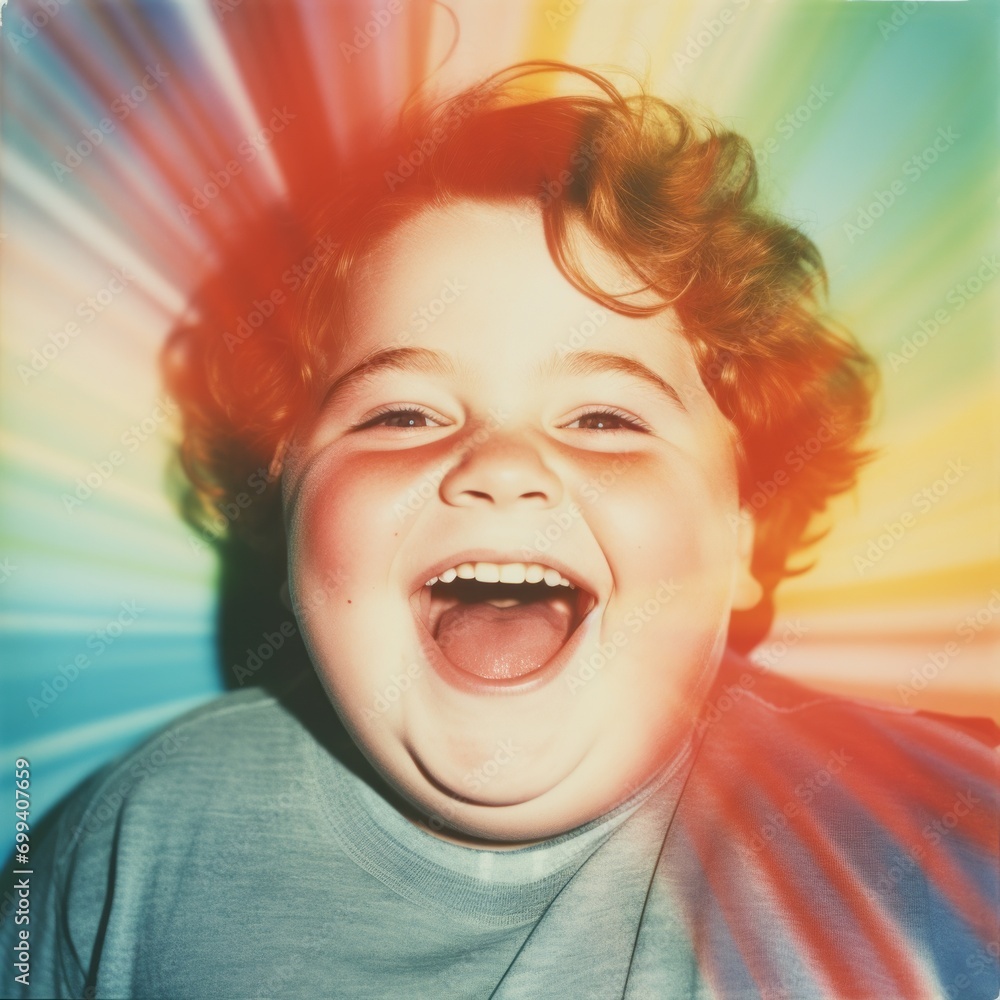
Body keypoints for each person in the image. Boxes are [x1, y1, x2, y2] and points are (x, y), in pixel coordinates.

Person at [2, 62, 997, 999]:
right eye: (402, 414)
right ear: (288, 496)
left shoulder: (920, 843)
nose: (500, 466)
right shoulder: (135, 838)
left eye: (603, 419)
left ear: (747, 528)